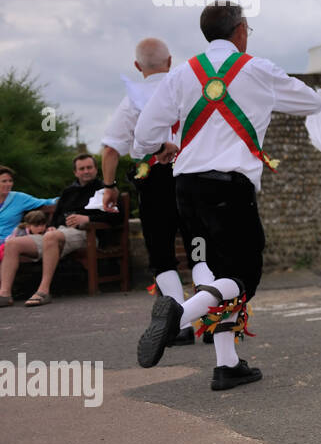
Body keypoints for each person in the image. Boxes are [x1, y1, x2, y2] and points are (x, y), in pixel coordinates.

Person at [133, 1, 321, 390]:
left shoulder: (182, 73)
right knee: (243, 275)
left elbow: (143, 137)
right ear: (240, 31)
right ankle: (179, 317)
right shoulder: (258, 69)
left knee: (213, 273)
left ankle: (227, 364)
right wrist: (264, 100)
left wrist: (165, 145)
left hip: (185, 187)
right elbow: (312, 101)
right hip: (229, 188)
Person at [101, 37, 193, 339]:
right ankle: (213, 320)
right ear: (170, 62)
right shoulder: (189, 89)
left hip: (154, 180)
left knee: (162, 252)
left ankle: (181, 324)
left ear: (138, 66)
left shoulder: (132, 100)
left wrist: (110, 186)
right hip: (194, 173)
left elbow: (111, 149)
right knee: (202, 248)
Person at [0, 154, 118, 307]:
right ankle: (4, 294)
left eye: (89, 167)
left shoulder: (105, 190)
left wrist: (88, 219)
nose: (86, 171)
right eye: (82, 169)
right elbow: (57, 216)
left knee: (51, 237)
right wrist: (53, 225)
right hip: (59, 233)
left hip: (87, 233)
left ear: (96, 169)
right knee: (12, 244)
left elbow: (117, 217)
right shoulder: (69, 191)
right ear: (76, 172)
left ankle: (43, 291)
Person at [0, 166, 56, 268]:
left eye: (10, 181)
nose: (8, 184)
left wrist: (67, 197)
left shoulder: (19, 198)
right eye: (4, 181)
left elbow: (46, 202)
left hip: (7, 241)